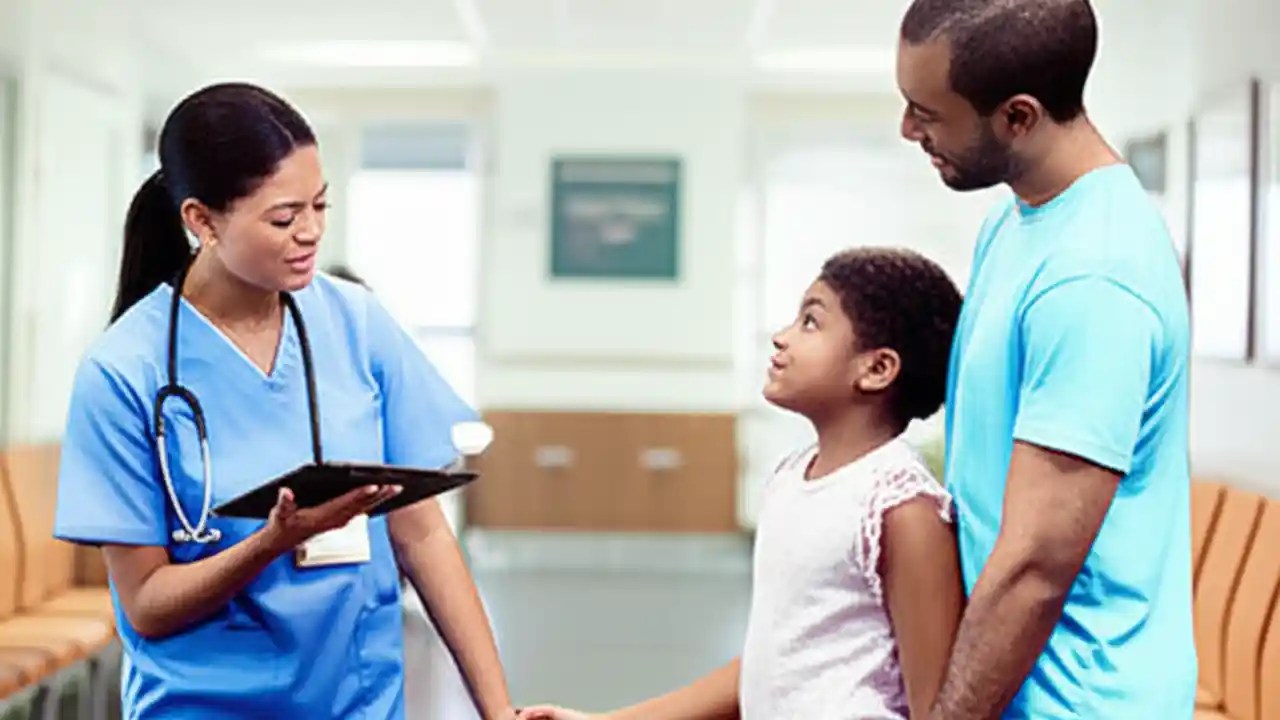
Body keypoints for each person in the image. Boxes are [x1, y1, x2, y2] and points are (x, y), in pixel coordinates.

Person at [52, 83, 518, 719]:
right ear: (201, 220)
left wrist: (499, 710)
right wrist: (271, 542)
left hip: (357, 701)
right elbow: (146, 605)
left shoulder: (355, 323)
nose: (310, 233)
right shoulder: (123, 371)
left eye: (320, 206)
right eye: (282, 217)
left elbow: (424, 537)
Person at [895, 1, 1195, 717]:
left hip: (1082, 702)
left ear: (1019, 116)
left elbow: (1036, 566)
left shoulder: (1094, 278)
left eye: (926, 112)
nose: (909, 130)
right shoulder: (1016, 221)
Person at [520, 248, 966, 720]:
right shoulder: (791, 477)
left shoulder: (902, 507)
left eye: (810, 323)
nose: (780, 338)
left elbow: (936, 705)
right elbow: (768, 666)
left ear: (876, 369)